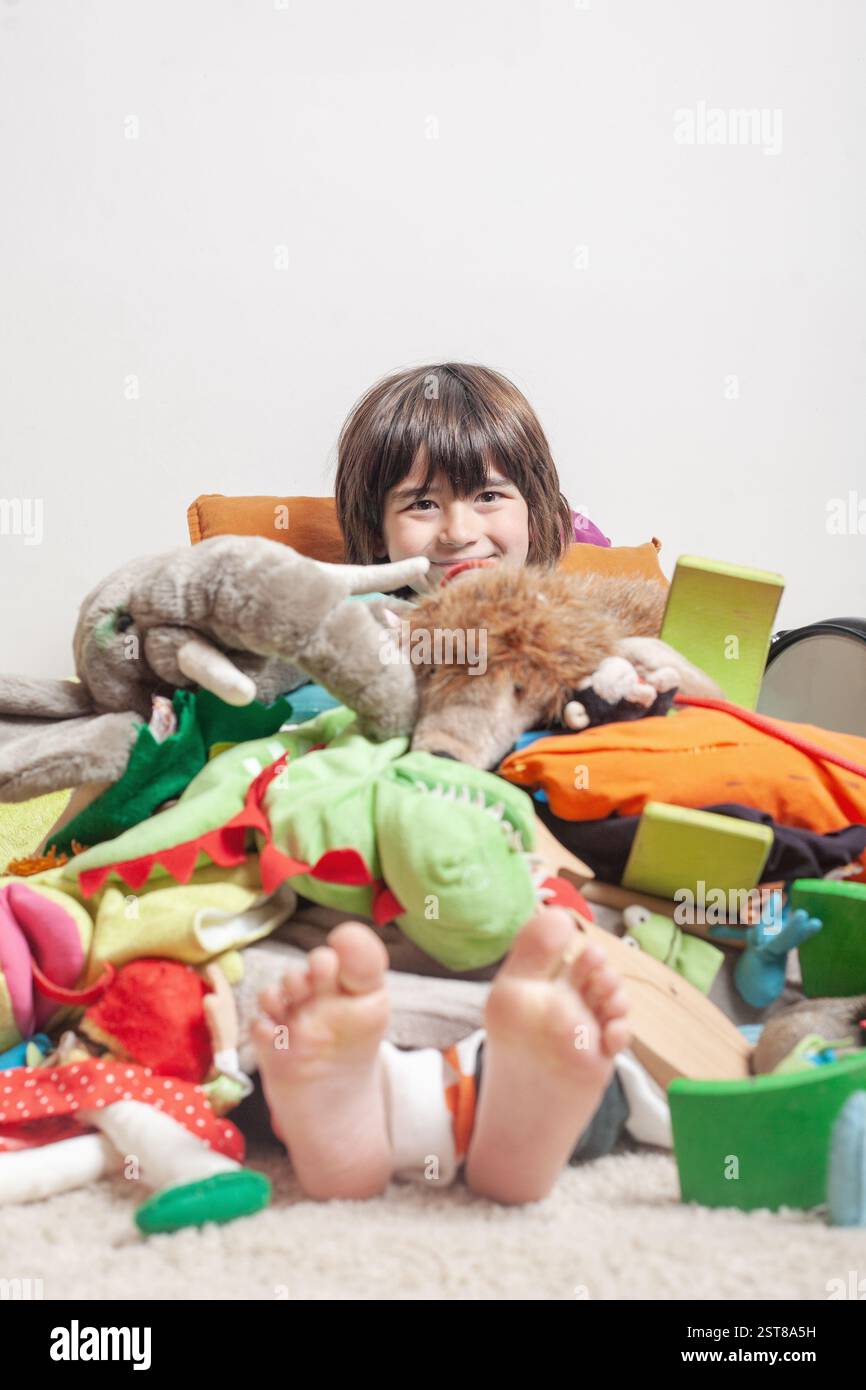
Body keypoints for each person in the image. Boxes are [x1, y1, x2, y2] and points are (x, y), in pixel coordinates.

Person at [252, 363, 634, 1204]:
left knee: (611, 1019)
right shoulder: (348, 640)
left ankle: (424, 1114)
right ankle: (361, 1096)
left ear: (541, 509)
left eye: (490, 496)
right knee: (246, 993)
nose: (460, 531)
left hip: (522, 928)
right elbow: (277, 752)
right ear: (376, 530)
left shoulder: (588, 637)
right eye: (422, 504)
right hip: (363, 937)